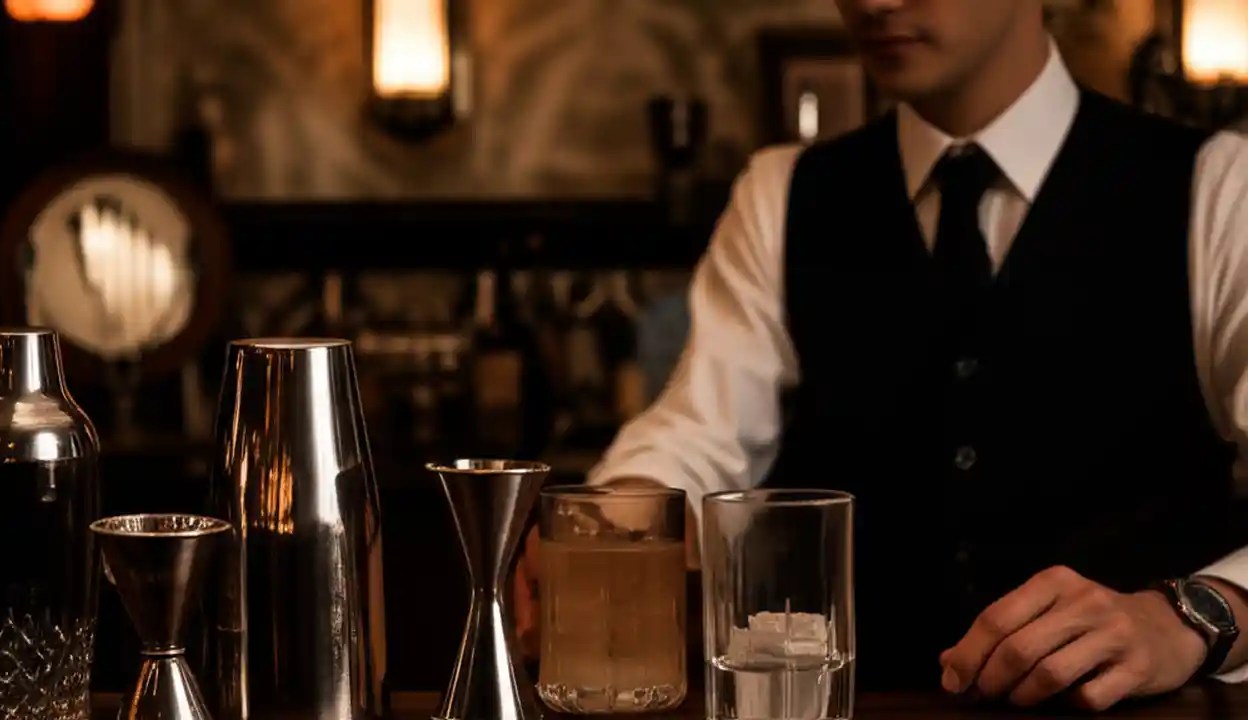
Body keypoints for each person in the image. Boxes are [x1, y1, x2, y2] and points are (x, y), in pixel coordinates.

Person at [516, 0, 1248, 710]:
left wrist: (1191, 615)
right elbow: (697, 436)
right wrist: (606, 528)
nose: (873, 2)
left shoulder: (1218, 188)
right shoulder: (783, 193)